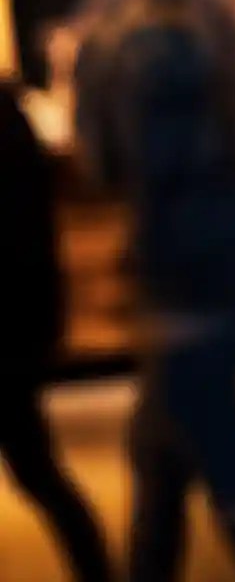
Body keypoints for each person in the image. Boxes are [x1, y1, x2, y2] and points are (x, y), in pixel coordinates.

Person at [74, 0, 235, 578]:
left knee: (232, 494)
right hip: (227, 279)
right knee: (161, 475)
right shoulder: (230, 25)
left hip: (181, 297)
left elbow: (115, 170)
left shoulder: (130, 44)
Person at [1, 82, 112, 582]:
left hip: (9, 330)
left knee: (36, 468)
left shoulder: (5, 114)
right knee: (37, 468)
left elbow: (27, 232)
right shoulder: (9, 111)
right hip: (19, 326)